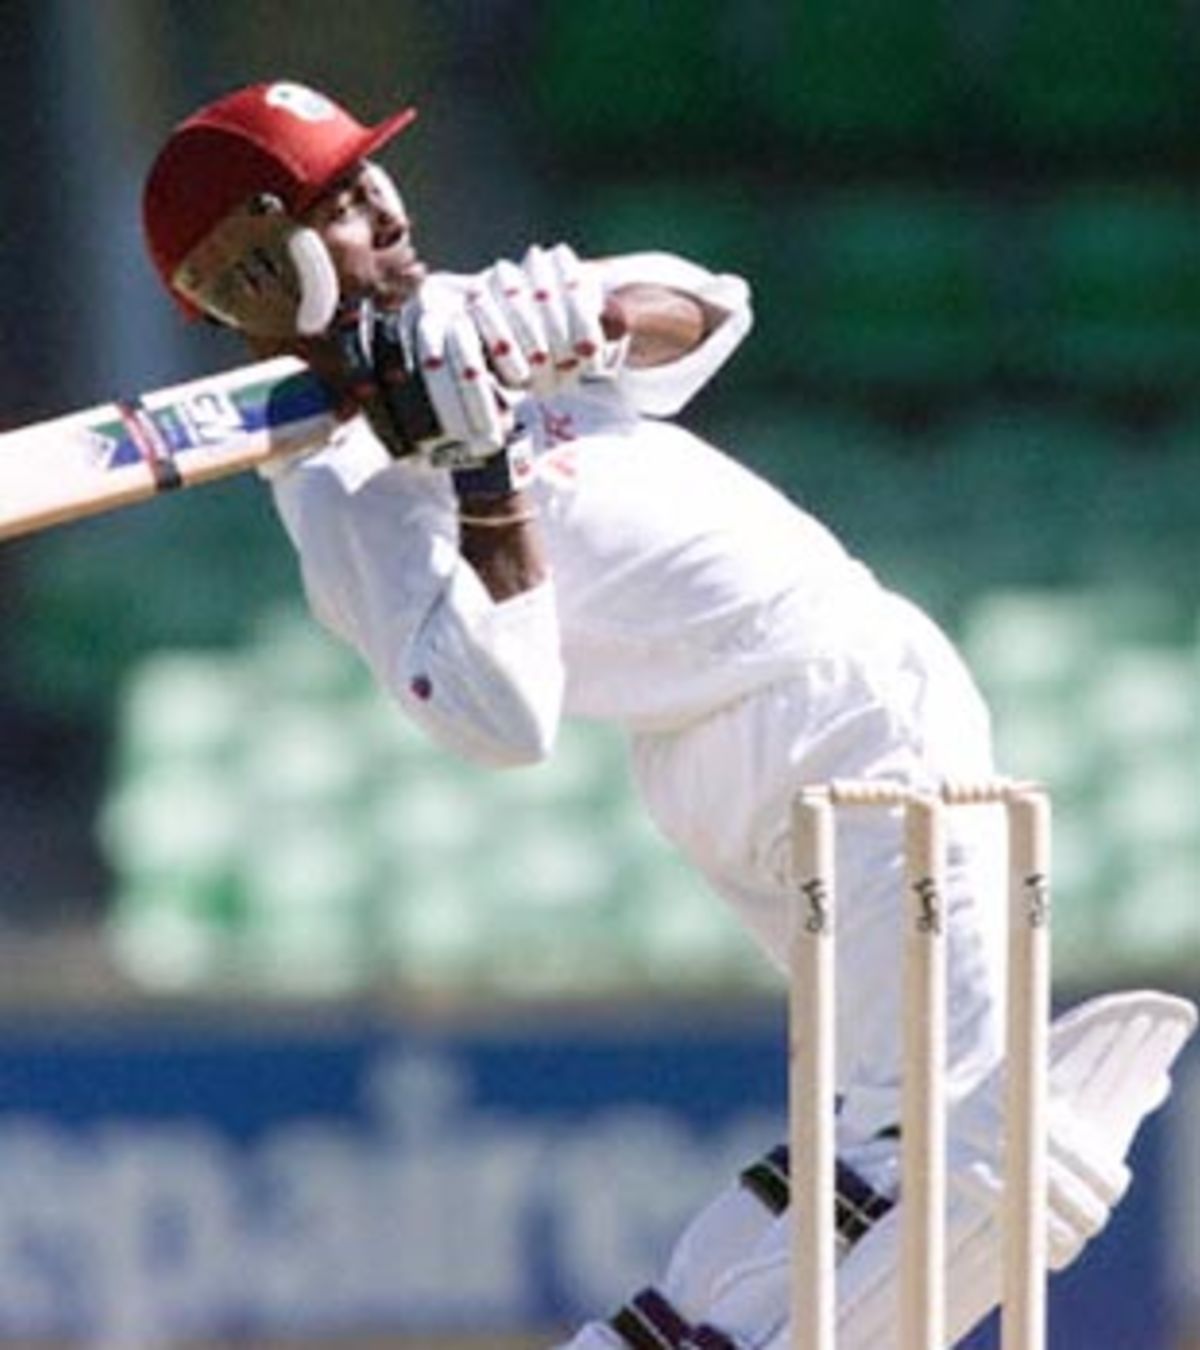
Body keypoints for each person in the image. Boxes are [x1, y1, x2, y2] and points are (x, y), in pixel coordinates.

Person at [141, 81, 1196, 1349]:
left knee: (895, 1134)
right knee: (986, 1159)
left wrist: (581, 321)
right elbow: (501, 718)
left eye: (372, 178)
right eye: (340, 204)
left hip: (799, 713)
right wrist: (481, 476)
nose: (384, 206)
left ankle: (665, 1333)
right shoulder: (347, 493)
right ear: (260, 270)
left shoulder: (467, 312)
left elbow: (709, 310)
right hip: (808, 723)